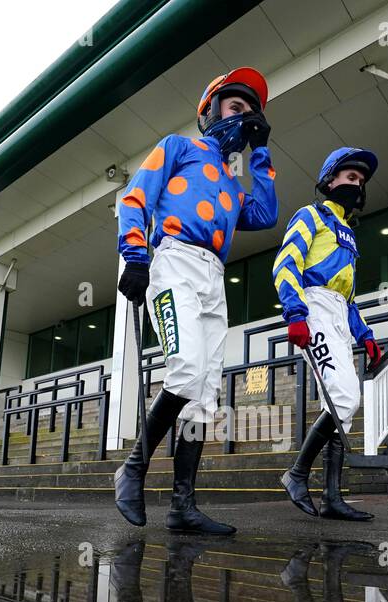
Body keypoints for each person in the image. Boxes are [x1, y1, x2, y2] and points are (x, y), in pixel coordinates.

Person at [114, 67, 278, 535]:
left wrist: (261, 151)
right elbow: (134, 198)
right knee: (184, 370)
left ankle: (182, 506)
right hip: (174, 260)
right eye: (235, 107)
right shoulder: (178, 146)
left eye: (251, 114)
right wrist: (134, 255)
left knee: (204, 397)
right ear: (209, 111)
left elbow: (266, 214)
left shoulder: (232, 180)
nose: (243, 118)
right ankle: (133, 468)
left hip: (213, 275)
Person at [276, 147, 383, 520]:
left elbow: (348, 298)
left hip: (338, 312)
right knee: (343, 396)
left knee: (343, 408)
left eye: (361, 181)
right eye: (351, 178)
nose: (357, 185)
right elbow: (285, 263)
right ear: (330, 180)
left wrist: (365, 335)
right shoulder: (311, 215)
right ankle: (297, 473)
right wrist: (295, 313)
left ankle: (333, 498)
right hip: (313, 307)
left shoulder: (350, 236)